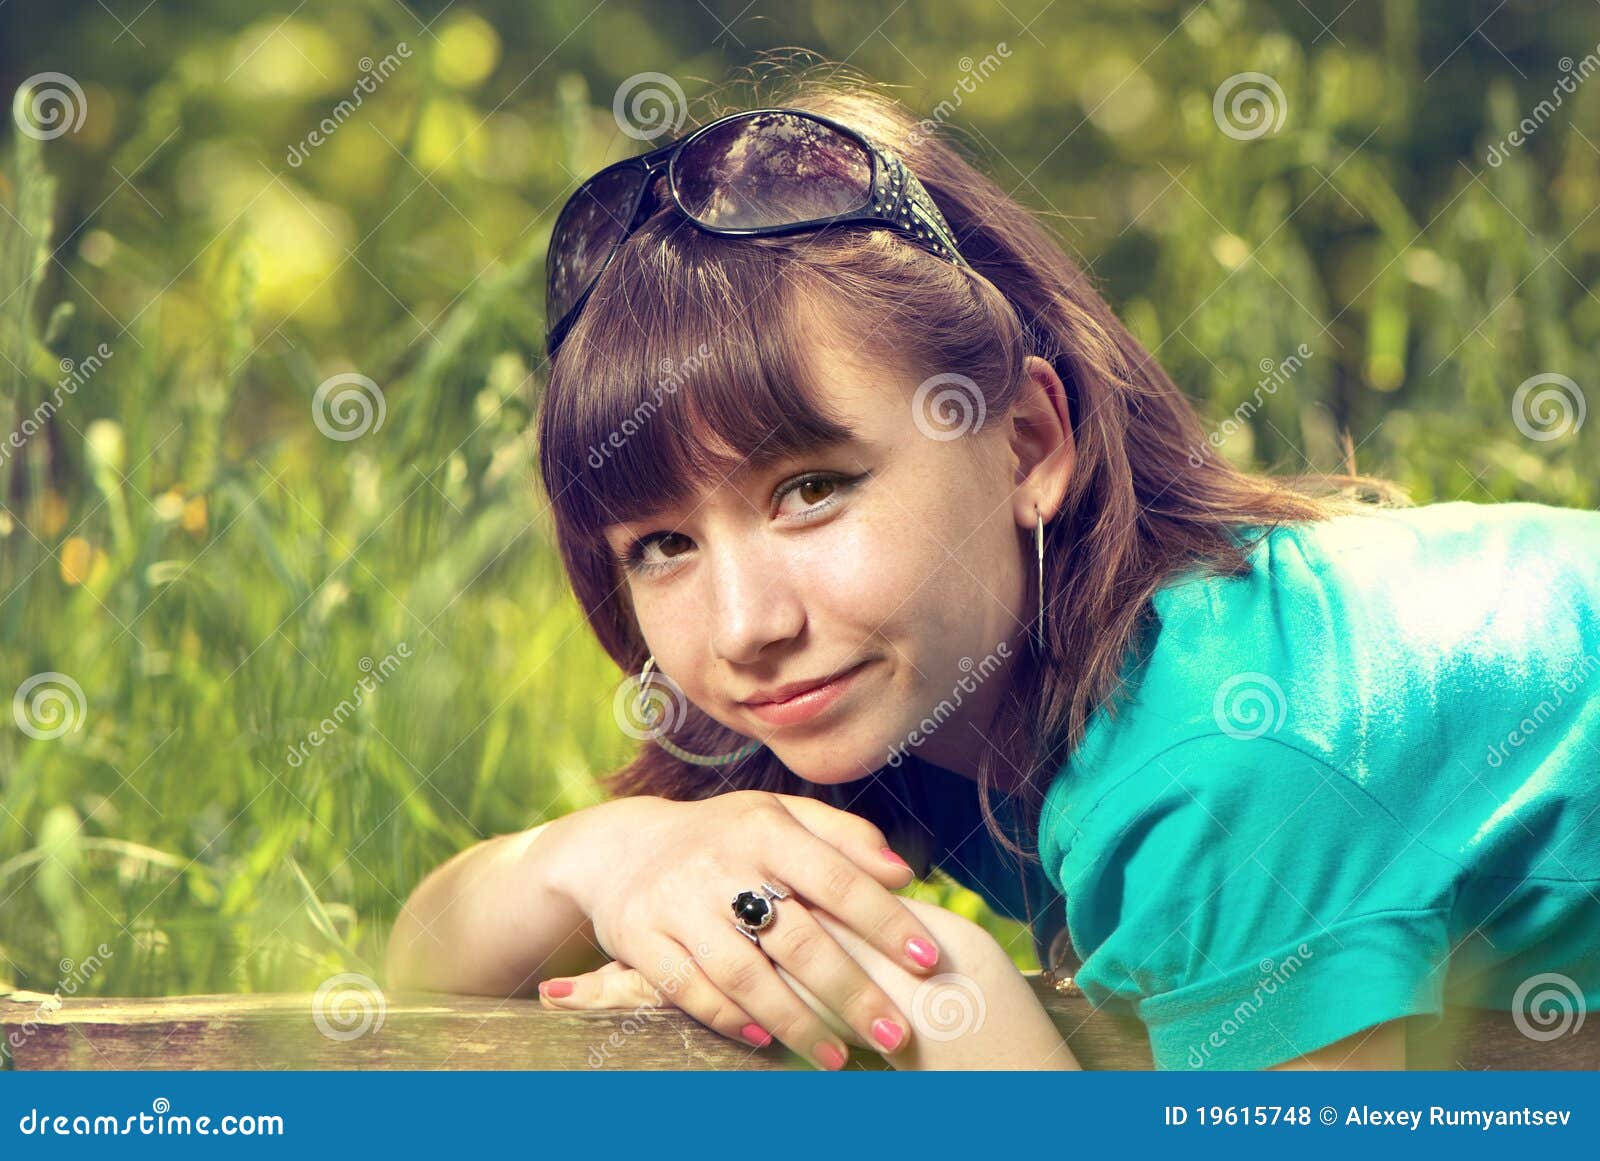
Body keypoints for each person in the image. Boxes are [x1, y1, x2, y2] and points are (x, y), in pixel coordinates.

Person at [384, 72, 1600, 1071]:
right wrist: (608, 853)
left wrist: (947, 1003)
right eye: (662, 546)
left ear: (1026, 443)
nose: (746, 625)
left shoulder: (1220, 763)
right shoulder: (910, 702)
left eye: (810, 490)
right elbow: (427, 963)